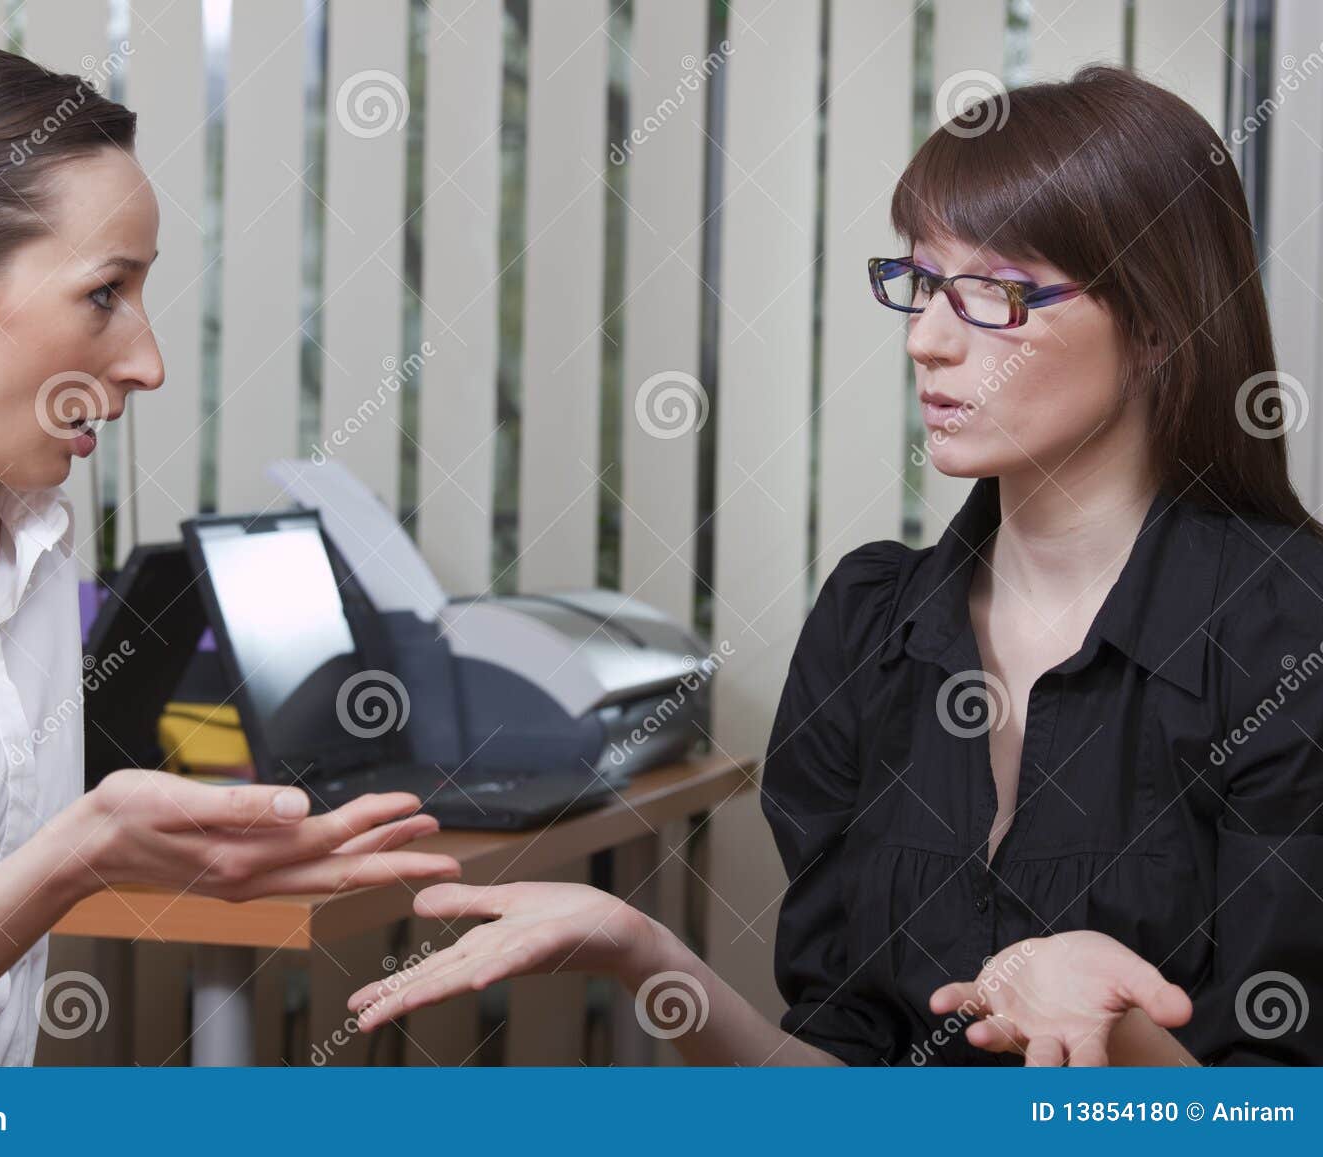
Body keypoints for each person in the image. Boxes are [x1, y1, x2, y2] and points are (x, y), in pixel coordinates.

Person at [348, 66, 1323, 1066]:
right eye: (921, 283)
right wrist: (642, 951)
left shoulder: (1288, 633)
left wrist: (1110, 1024)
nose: (925, 339)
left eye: (990, 293)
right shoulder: (868, 623)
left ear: (1155, 323)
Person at [0, 44, 459, 1067]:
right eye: (105, 293)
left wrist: (162, 851)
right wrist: (70, 858)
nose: (148, 362)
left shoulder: (24, 533)